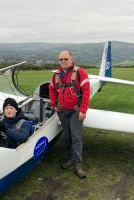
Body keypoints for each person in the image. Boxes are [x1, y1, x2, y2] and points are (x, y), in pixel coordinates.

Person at [49, 50, 90, 179]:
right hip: (62, 111)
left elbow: (86, 92)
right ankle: (71, 158)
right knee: (68, 137)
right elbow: (51, 89)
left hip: (75, 111)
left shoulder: (80, 73)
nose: (63, 61)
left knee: (76, 137)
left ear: (71, 60)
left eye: (65, 59)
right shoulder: (56, 75)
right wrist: (53, 104)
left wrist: (83, 110)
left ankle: (78, 164)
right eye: (61, 59)